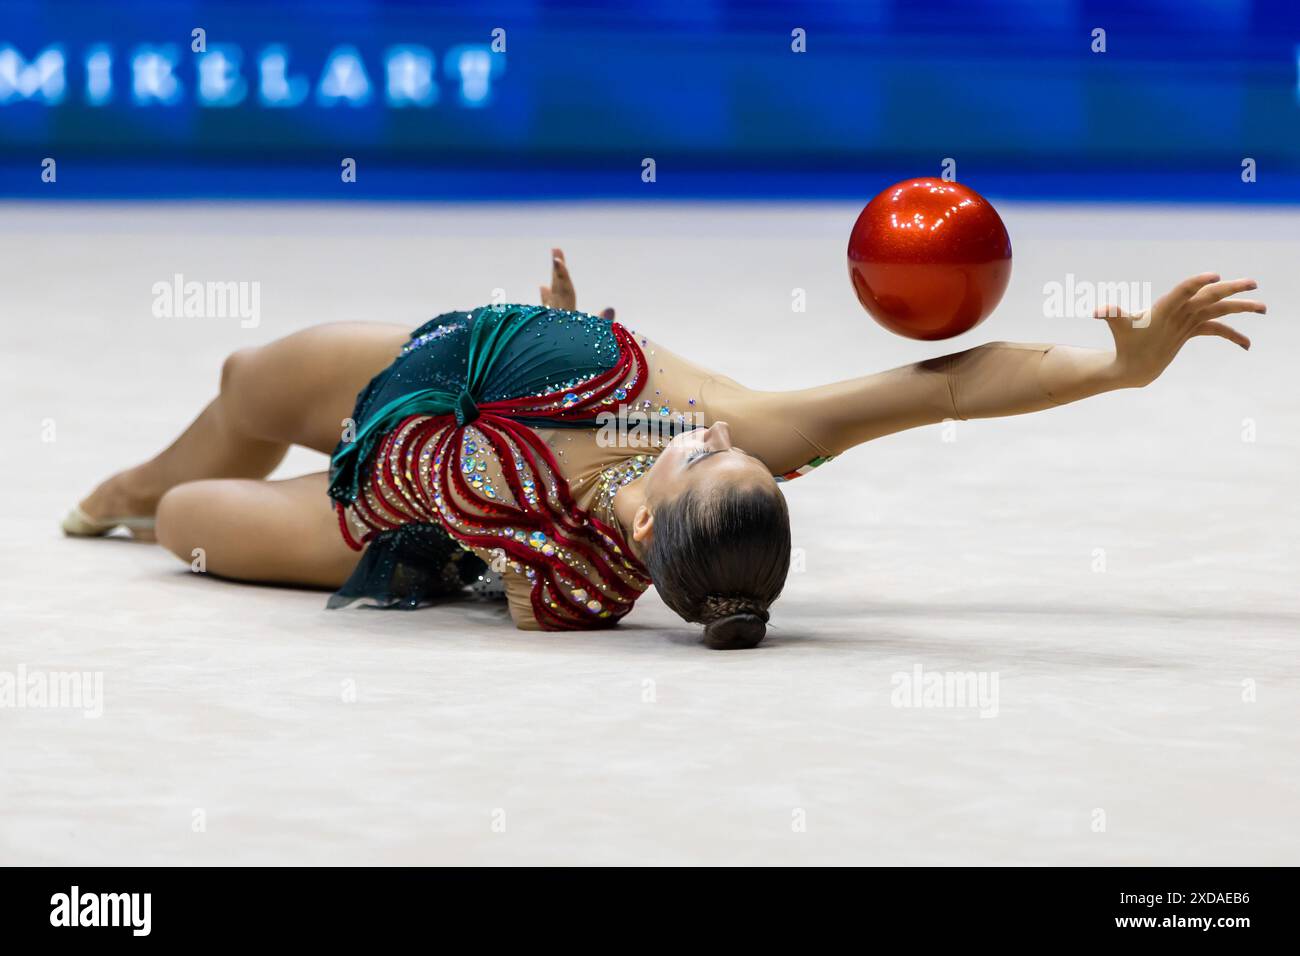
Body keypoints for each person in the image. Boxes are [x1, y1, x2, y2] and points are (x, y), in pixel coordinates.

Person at [64, 251, 1265, 649]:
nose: (709, 436)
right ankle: (126, 477)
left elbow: (536, 602)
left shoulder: (585, 584)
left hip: (403, 501)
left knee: (188, 527)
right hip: (445, 372)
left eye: (701, 463)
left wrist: (491, 557)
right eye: (739, 455)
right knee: (246, 380)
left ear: (642, 529)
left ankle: (146, 498)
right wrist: (1118, 368)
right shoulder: (736, 435)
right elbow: (942, 383)